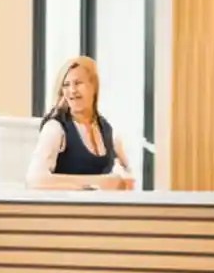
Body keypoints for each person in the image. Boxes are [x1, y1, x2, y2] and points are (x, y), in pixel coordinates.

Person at [26, 56, 134, 190]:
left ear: (93, 86)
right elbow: (35, 179)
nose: (72, 90)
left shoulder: (106, 129)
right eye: (66, 85)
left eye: (78, 83)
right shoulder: (55, 128)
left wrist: (122, 179)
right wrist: (97, 183)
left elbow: (126, 175)